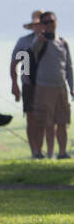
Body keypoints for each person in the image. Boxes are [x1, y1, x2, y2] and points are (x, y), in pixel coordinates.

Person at [26, 12, 72, 159]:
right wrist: (40, 40)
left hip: (60, 86)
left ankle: (62, 152)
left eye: (51, 21)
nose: (49, 25)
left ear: (56, 22)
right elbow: (32, 51)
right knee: (45, 123)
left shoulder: (63, 43)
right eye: (45, 23)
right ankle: (45, 153)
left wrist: (72, 85)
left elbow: (69, 67)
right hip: (43, 86)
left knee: (62, 121)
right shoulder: (37, 41)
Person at [11, 10, 45, 157]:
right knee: (31, 117)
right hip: (29, 84)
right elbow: (14, 63)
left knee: (43, 118)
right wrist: (14, 84)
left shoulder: (51, 41)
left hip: (46, 84)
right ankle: (34, 151)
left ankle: (41, 149)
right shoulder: (23, 41)